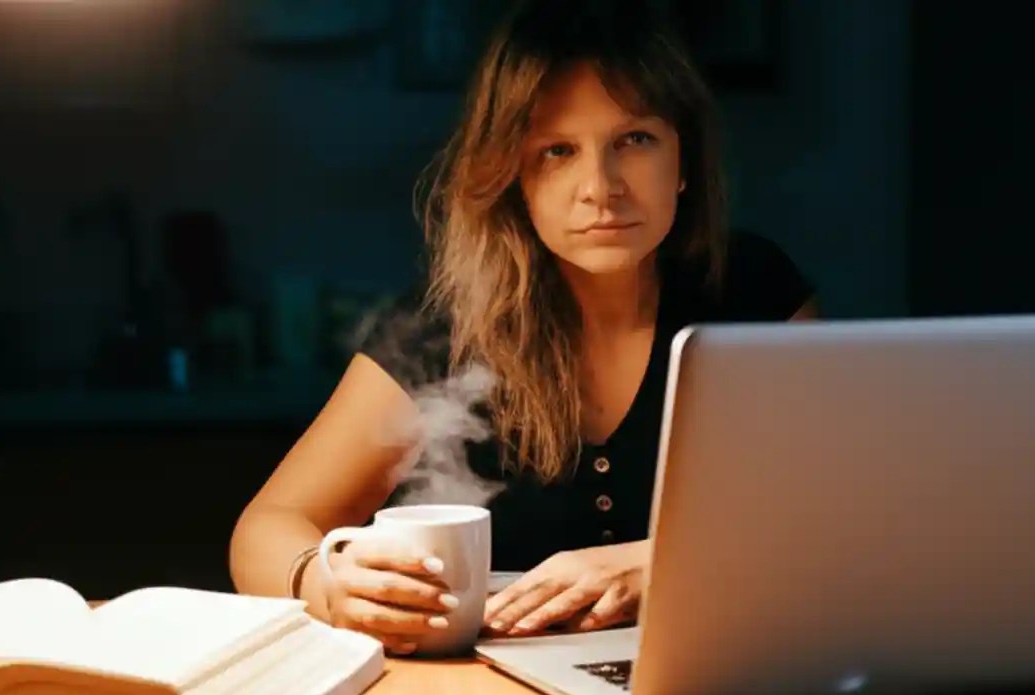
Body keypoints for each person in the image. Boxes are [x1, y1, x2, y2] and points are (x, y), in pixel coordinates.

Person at [228, 0, 817, 656]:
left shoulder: (755, 291)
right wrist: (325, 584)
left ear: (683, 161)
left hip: (723, 674)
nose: (601, 186)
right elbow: (268, 525)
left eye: (635, 140)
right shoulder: (443, 329)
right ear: (514, 177)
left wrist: (665, 563)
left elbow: (848, 518)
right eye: (558, 151)